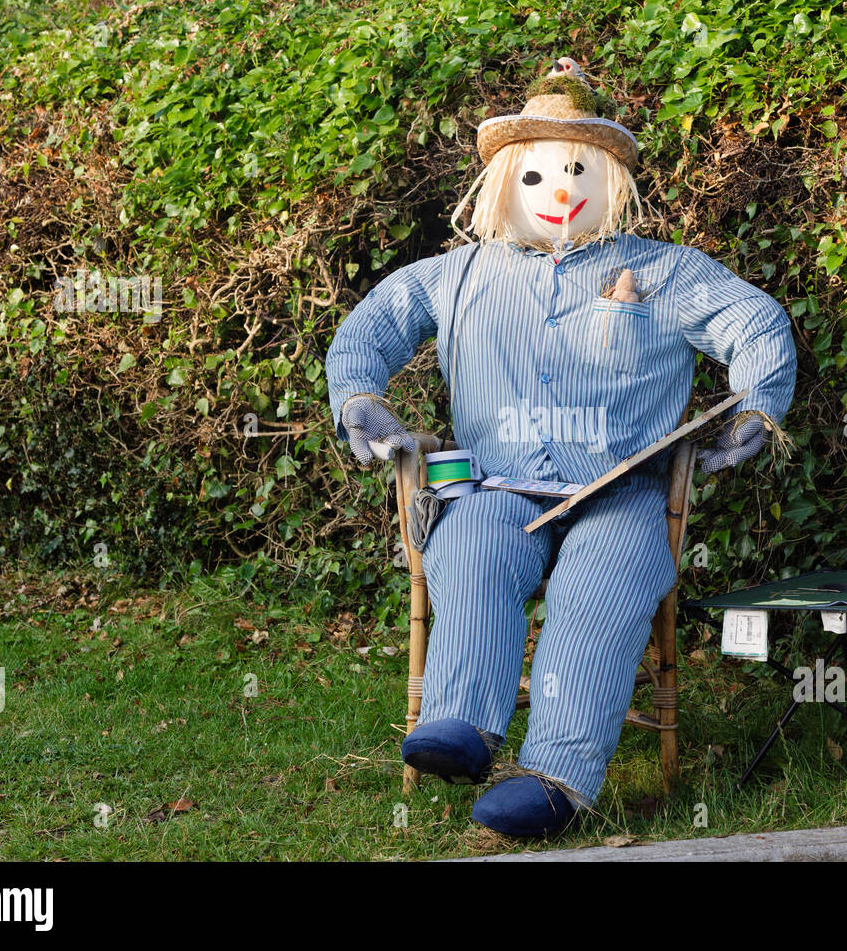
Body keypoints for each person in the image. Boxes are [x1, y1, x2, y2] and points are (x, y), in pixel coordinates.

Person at [326, 55, 796, 837]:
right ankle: (462, 728)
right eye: (539, 178)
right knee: (469, 561)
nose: (561, 193)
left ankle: (555, 779)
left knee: (597, 597)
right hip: (493, 488)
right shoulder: (457, 275)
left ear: (612, 181)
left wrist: (756, 408)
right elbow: (371, 325)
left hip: (621, 494)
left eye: (578, 174)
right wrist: (360, 399)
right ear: (505, 184)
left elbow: (755, 323)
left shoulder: (663, 271)